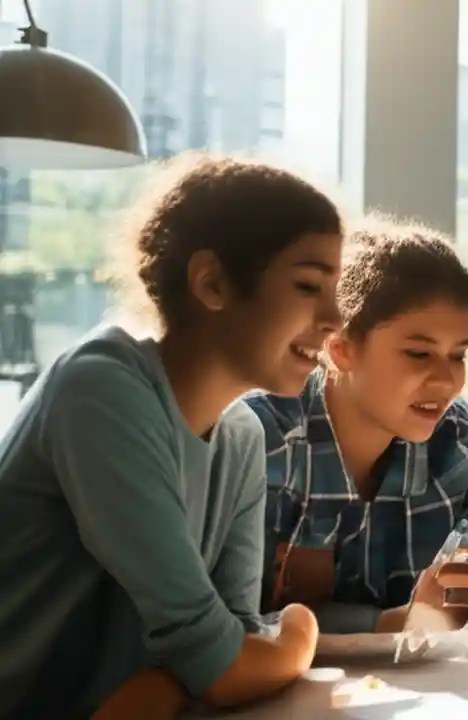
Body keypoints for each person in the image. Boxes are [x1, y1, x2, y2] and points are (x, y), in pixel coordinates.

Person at [0, 153, 344, 718]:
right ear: (211, 282)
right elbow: (226, 667)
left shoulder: (241, 437)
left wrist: (178, 681)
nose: (334, 317)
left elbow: (229, 644)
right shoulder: (102, 391)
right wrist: (299, 633)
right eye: (309, 284)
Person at [243, 216, 468, 635]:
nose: (446, 381)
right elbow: (217, 628)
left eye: (458, 355)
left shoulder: (453, 437)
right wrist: (388, 624)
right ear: (341, 349)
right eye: (418, 354)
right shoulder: (260, 443)